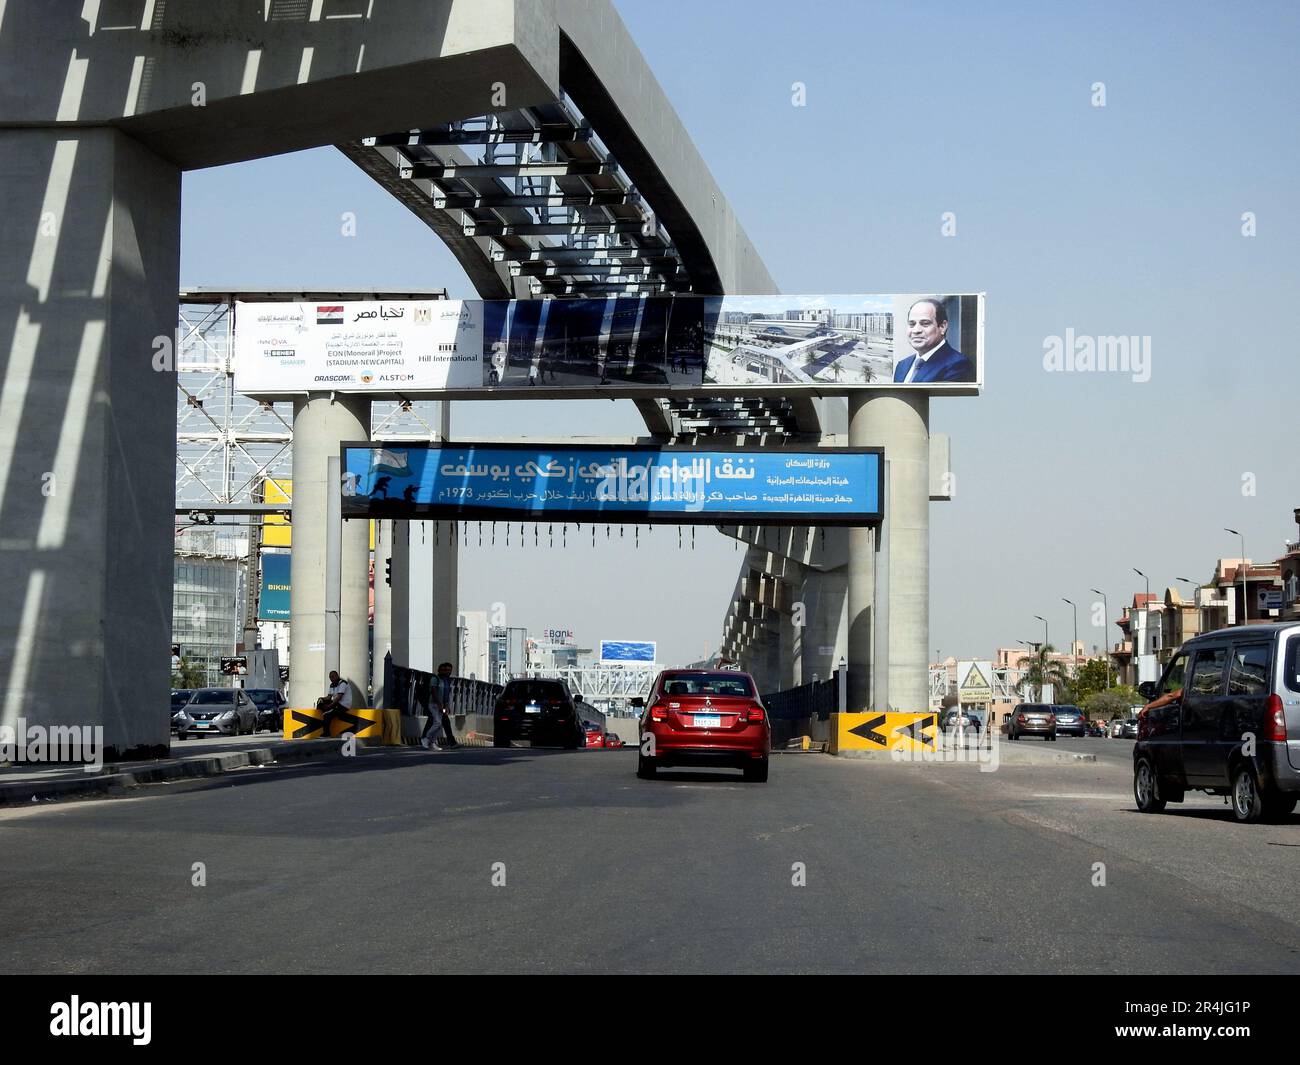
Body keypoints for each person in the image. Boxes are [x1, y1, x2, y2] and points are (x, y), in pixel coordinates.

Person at [892, 298, 976, 384]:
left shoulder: (958, 365)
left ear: (942, 327)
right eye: (912, 324)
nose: (916, 330)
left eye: (925, 323)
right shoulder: (902, 366)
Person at [317, 670, 351, 738]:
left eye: (333, 677)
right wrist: (322, 699)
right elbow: (329, 697)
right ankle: (324, 714)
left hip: (343, 705)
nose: (331, 679)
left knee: (327, 714)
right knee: (320, 704)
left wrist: (329, 706)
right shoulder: (332, 685)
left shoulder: (342, 683)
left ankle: (326, 734)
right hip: (336, 704)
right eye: (330, 677)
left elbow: (338, 697)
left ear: (337, 676)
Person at [434, 661, 459, 748]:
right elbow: (434, 692)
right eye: (445, 670)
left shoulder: (447, 681)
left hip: (442, 705)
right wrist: (439, 704)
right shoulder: (437, 679)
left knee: (444, 721)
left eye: (449, 670)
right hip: (434, 705)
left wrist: (446, 706)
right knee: (437, 722)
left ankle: (451, 742)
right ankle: (451, 742)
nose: (447, 672)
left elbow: (446, 694)